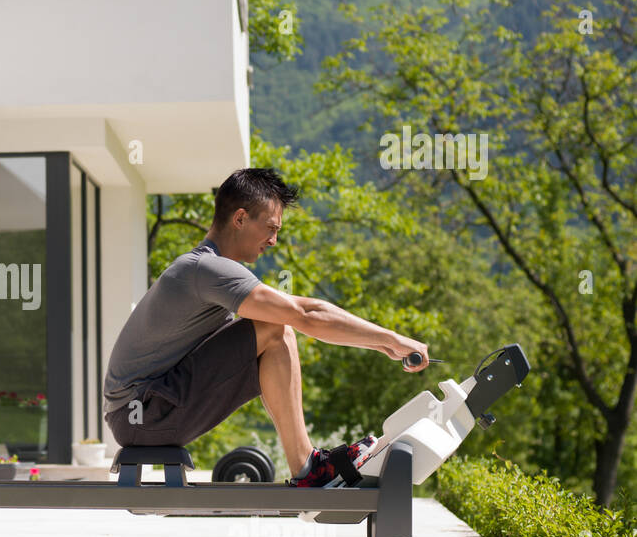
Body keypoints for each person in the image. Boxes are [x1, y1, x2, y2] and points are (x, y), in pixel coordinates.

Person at [102, 167, 430, 487]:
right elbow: (306, 313)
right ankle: (309, 466)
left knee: (271, 327)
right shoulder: (209, 269)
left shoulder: (206, 269)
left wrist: (381, 345)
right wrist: (391, 338)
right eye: (271, 228)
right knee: (276, 327)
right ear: (240, 218)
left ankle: (308, 464)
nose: (273, 241)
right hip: (140, 416)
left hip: (141, 412)